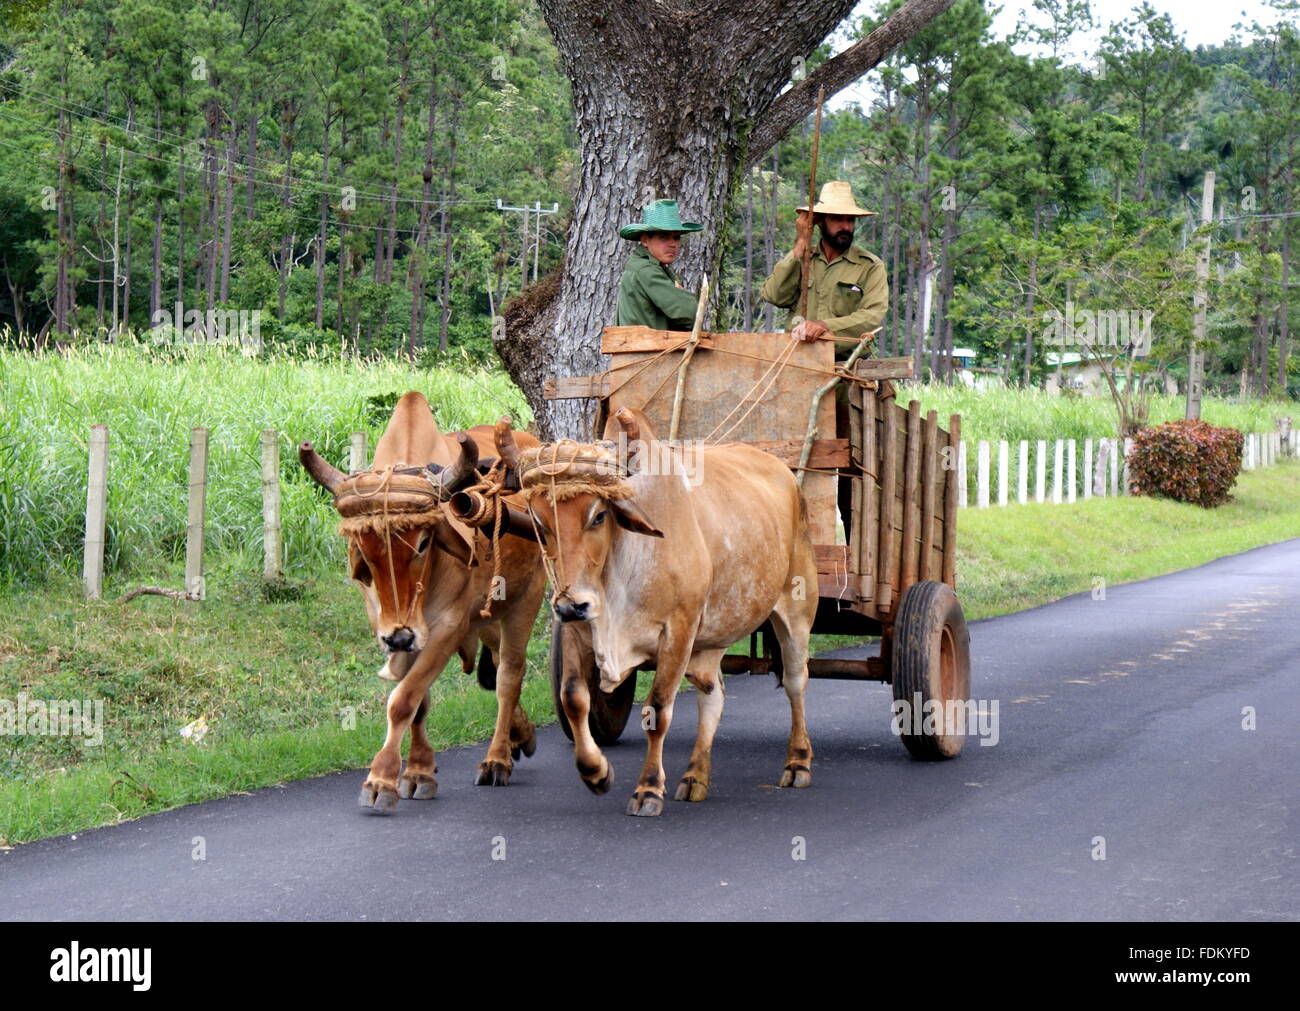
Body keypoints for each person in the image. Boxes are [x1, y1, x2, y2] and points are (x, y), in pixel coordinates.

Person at [759, 180, 887, 352]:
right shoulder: (802, 259)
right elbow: (773, 295)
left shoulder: (870, 266)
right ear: (820, 221)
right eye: (837, 219)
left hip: (844, 364)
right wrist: (801, 243)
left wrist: (825, 326)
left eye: (850, 220)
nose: (846, 227)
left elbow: (872, 316)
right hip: (796, 358)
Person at [615, 199, 702, 330]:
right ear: (645, 240)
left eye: (676, 237)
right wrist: (685, 299)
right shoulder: (645, 270)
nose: (673, 244)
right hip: (645, 348)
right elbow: (689, 310)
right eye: (664, 237)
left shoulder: (651, 266)